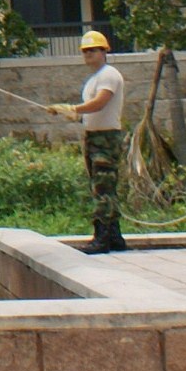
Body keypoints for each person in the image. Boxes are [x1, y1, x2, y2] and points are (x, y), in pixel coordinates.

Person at [49, 29, 126, 253]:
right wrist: (67, 112)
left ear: (104, 51)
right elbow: (90, 110)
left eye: (92, 50)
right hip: (94, 137)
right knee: (101, 187)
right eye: (85, 51)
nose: (88, 54)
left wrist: (73, 108)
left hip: (106, 138)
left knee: (103, 187)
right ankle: (114, 236)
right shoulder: (94, 78)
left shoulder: (109, 75)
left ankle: (102, 239)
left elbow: (100, 102)